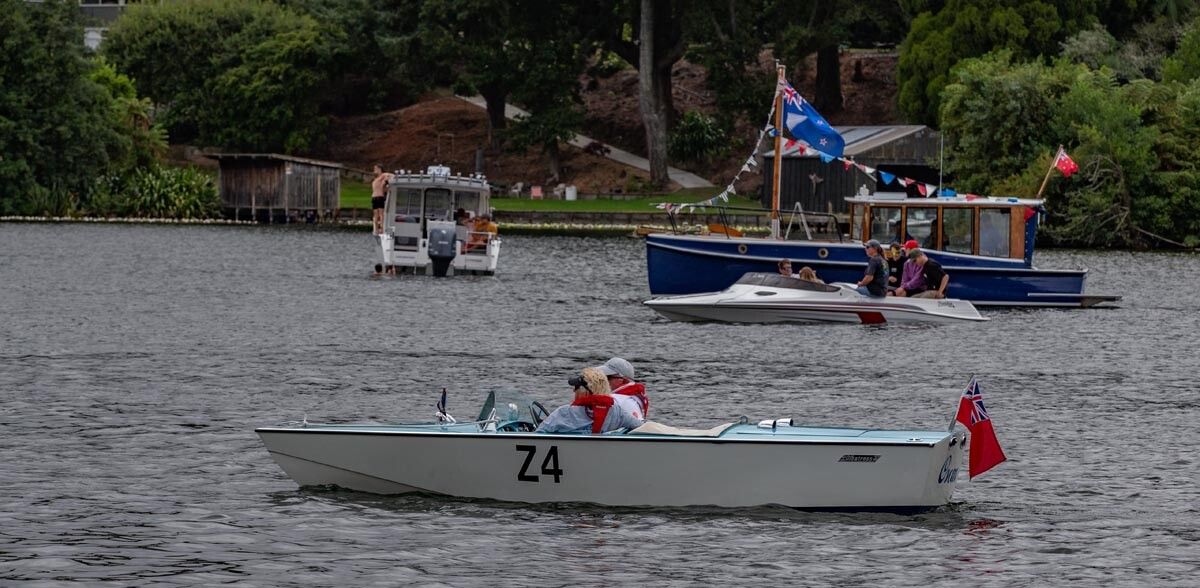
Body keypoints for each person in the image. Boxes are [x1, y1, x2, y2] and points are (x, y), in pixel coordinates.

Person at [536, 367, 643, 434]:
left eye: (577, 386)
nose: (574, 390)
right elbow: (640, 426)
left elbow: (538, 434)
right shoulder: (617, 412)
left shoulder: (564, 413)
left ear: (585, 390)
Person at [594, 357, 648, 421]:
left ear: (622, 380)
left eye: (607, 377)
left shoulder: (619, 400)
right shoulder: (635, 398)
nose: (602, 381)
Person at [370, 164, 394, 235]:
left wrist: (386, 178)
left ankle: (382, 228)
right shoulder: (376, 179)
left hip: (379, 197)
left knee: (381, 214)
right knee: (375, 215)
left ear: (379, 169)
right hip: (374, 197)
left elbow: (391, 175)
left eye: (376, 169)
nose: (374, 170)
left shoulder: (382, 176)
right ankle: (376, 229)